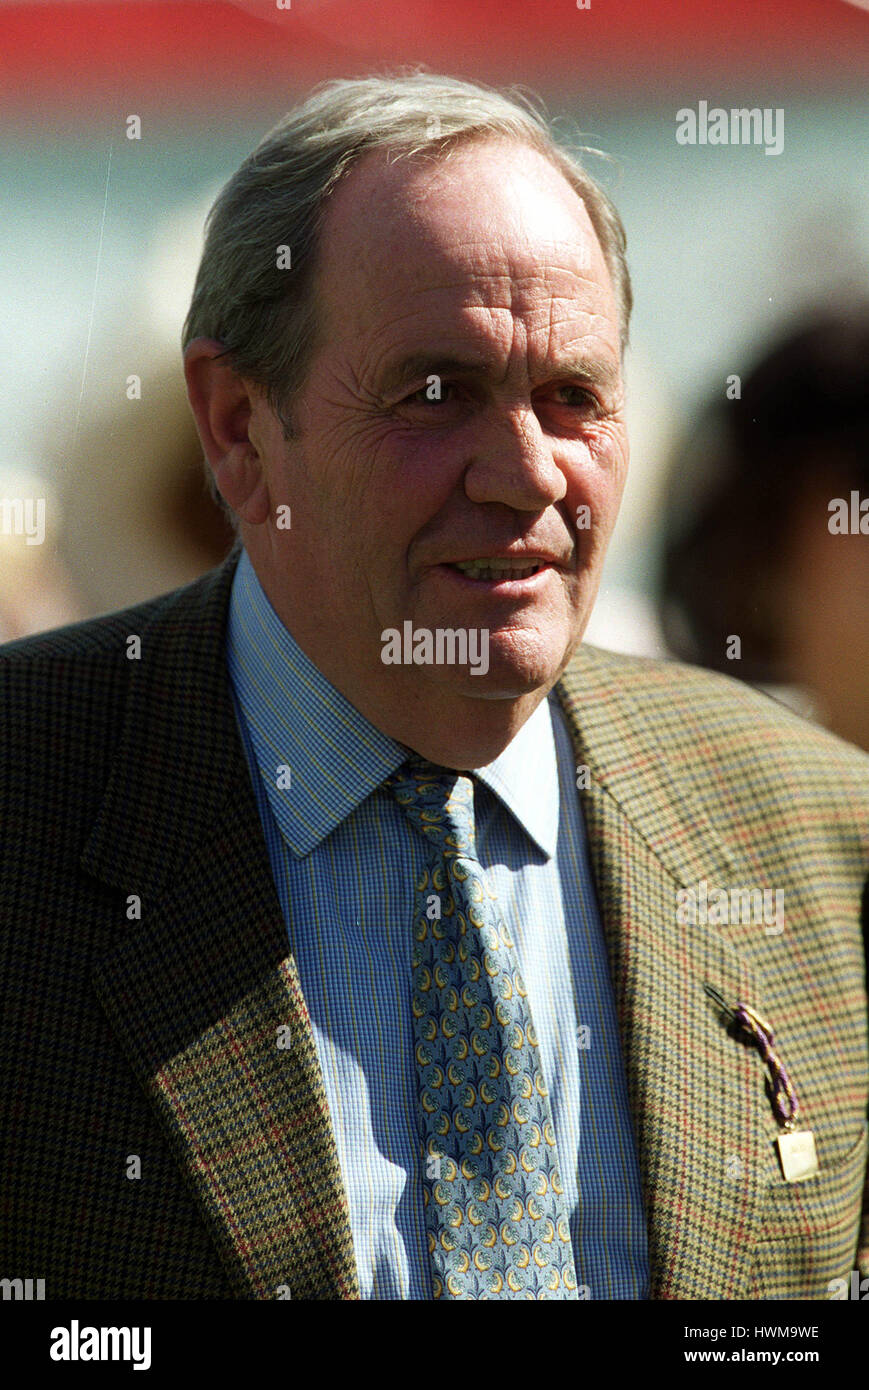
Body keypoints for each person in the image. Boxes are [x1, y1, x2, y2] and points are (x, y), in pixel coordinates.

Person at [1, 72, 867, 1302]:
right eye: (434, 393)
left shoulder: (817, 837)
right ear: (239, 427)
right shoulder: (34, 799)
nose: (524, 474)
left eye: (572, 396)